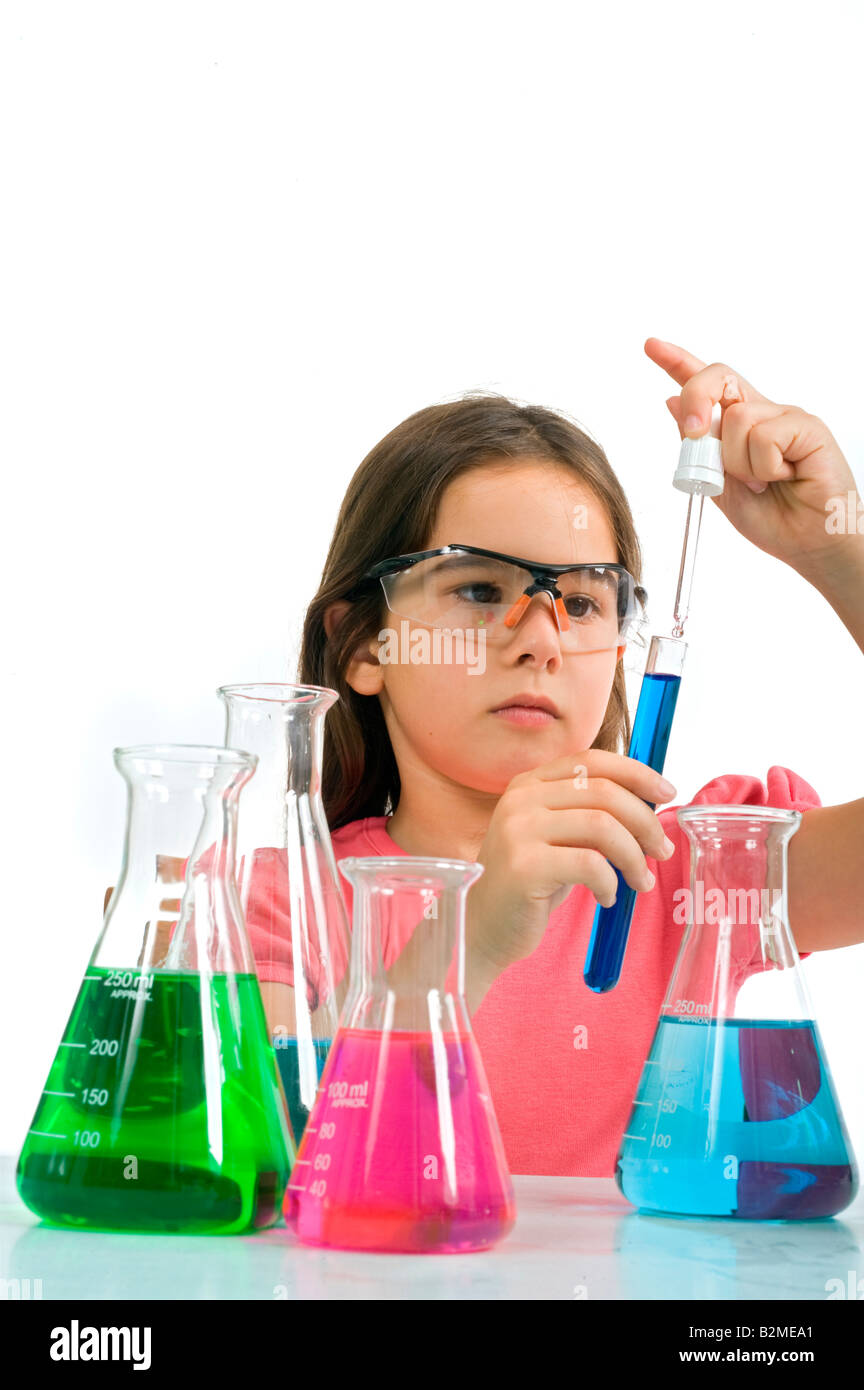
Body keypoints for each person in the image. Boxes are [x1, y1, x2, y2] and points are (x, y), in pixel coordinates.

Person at [256, 338, 864, 1176]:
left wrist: (840, 549)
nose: (540, 638)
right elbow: (286, 1164)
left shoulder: (697, 871)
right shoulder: (283, 905)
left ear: (619, 651)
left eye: (581, 601)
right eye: (478, 589)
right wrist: (475, 935)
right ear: (365, 643)